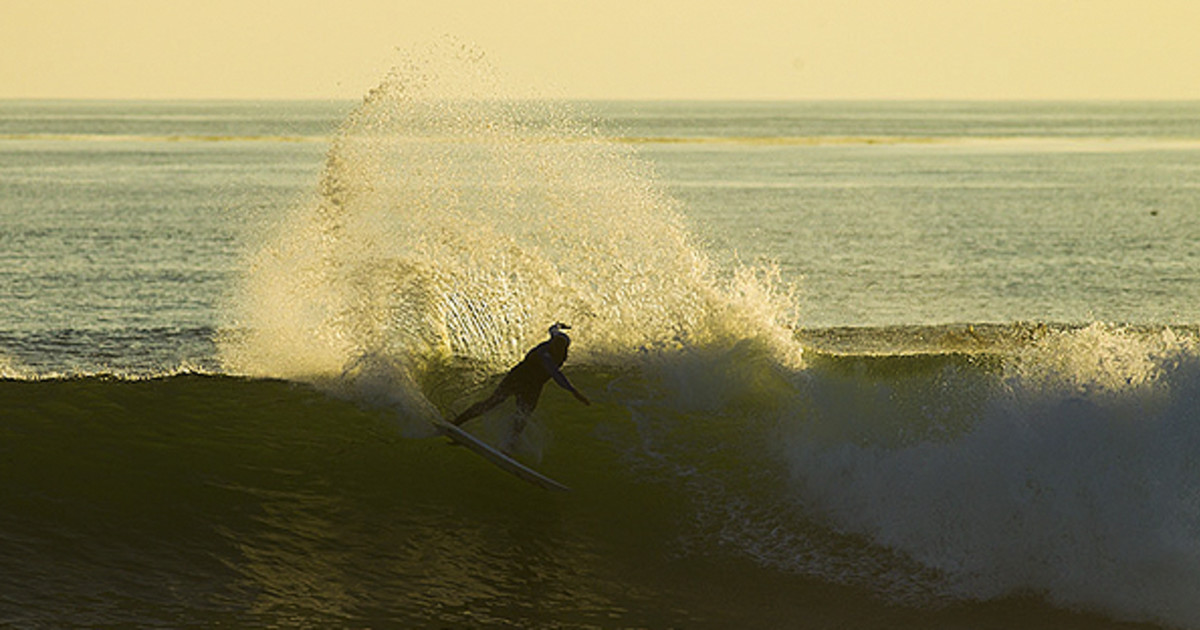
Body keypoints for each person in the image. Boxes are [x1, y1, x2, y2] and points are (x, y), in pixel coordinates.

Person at [452, 323, 590, 439]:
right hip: (518, 377)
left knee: (523, 416)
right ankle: (456, 422)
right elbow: (555, 373)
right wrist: (573, 391)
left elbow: (553, 329)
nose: (554, 349)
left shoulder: (561, 342)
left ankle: (508, 446)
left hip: (534, 385)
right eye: (553, 346)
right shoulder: (545, 353)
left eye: (557, 348)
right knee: (492, 402)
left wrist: (559, 325)